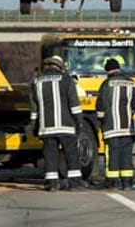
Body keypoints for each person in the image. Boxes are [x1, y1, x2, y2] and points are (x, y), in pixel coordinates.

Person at [29, 55, 84, 191]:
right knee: (71, 154)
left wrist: (34, 126)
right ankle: (74, 183)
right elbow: (74, 105)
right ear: (60, 67)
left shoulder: (36, 82)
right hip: (66, 126)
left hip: (46, 127)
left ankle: (52, 183)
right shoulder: (67, 80)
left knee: (50, 155)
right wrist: (79, 122)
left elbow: (34, 108)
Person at [96, 58, 135, 190]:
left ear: (107, 70)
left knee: (112, 155)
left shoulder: (106, 84)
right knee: (126, 155)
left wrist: (102, 120)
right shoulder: (131, 83)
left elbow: (101, 106)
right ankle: (127, 183)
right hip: (128, 128)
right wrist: (129, 113)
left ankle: (111, 182)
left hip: (111, 128)